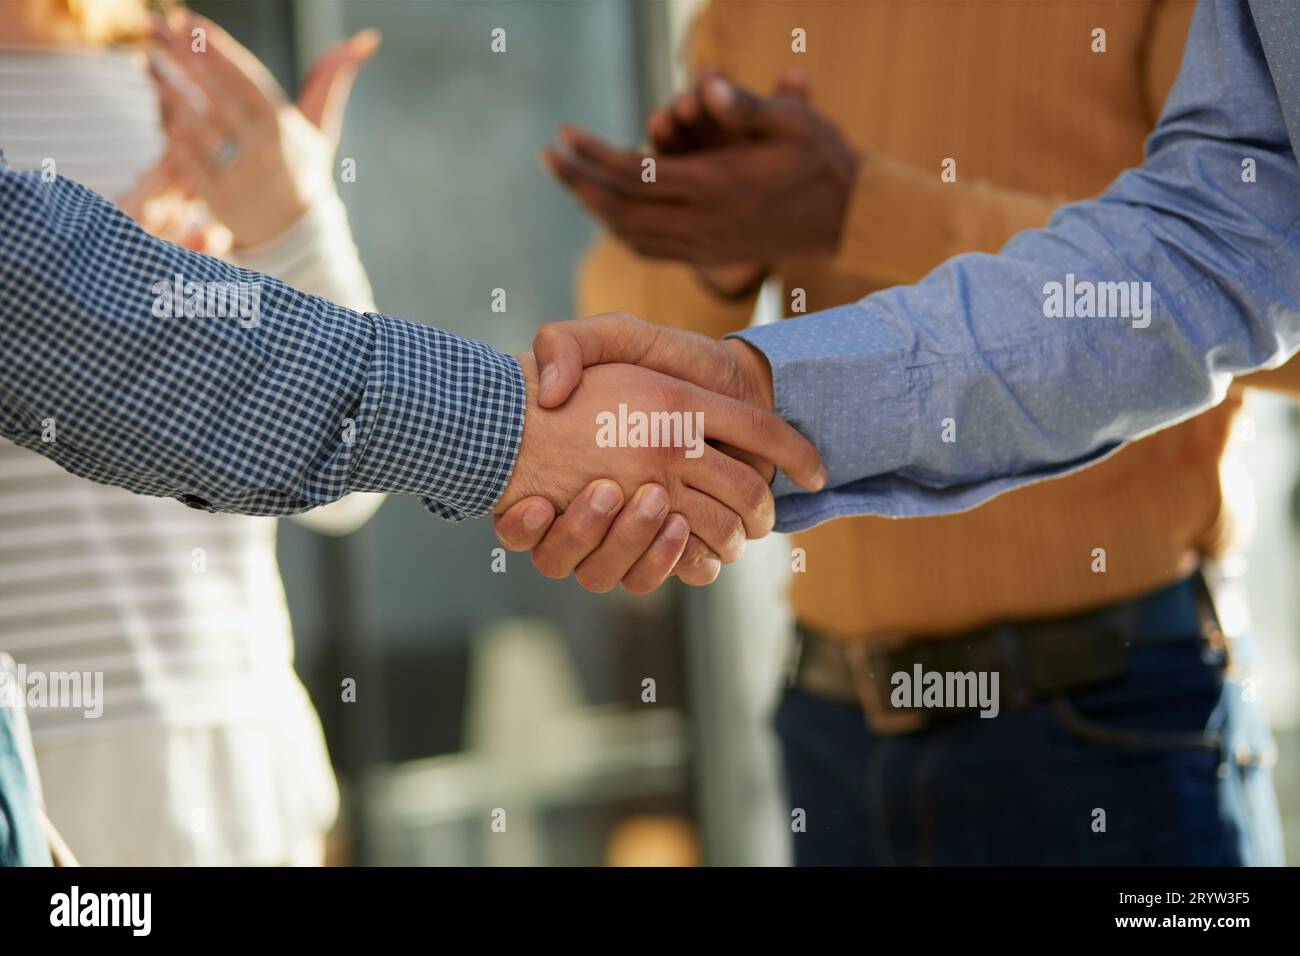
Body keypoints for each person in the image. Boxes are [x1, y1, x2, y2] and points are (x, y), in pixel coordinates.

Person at [508, 0, 1291, 865]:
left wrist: (863, 210)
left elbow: (1257, 277)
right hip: (833, 728)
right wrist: (716, 250)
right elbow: (638, 347)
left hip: (1114, 726)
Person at [0, 0, 390, 864]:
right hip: (33, 792)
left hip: (247, 772)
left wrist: (293, 226)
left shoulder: (193, 90)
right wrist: (84, 302)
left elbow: (353, 485)